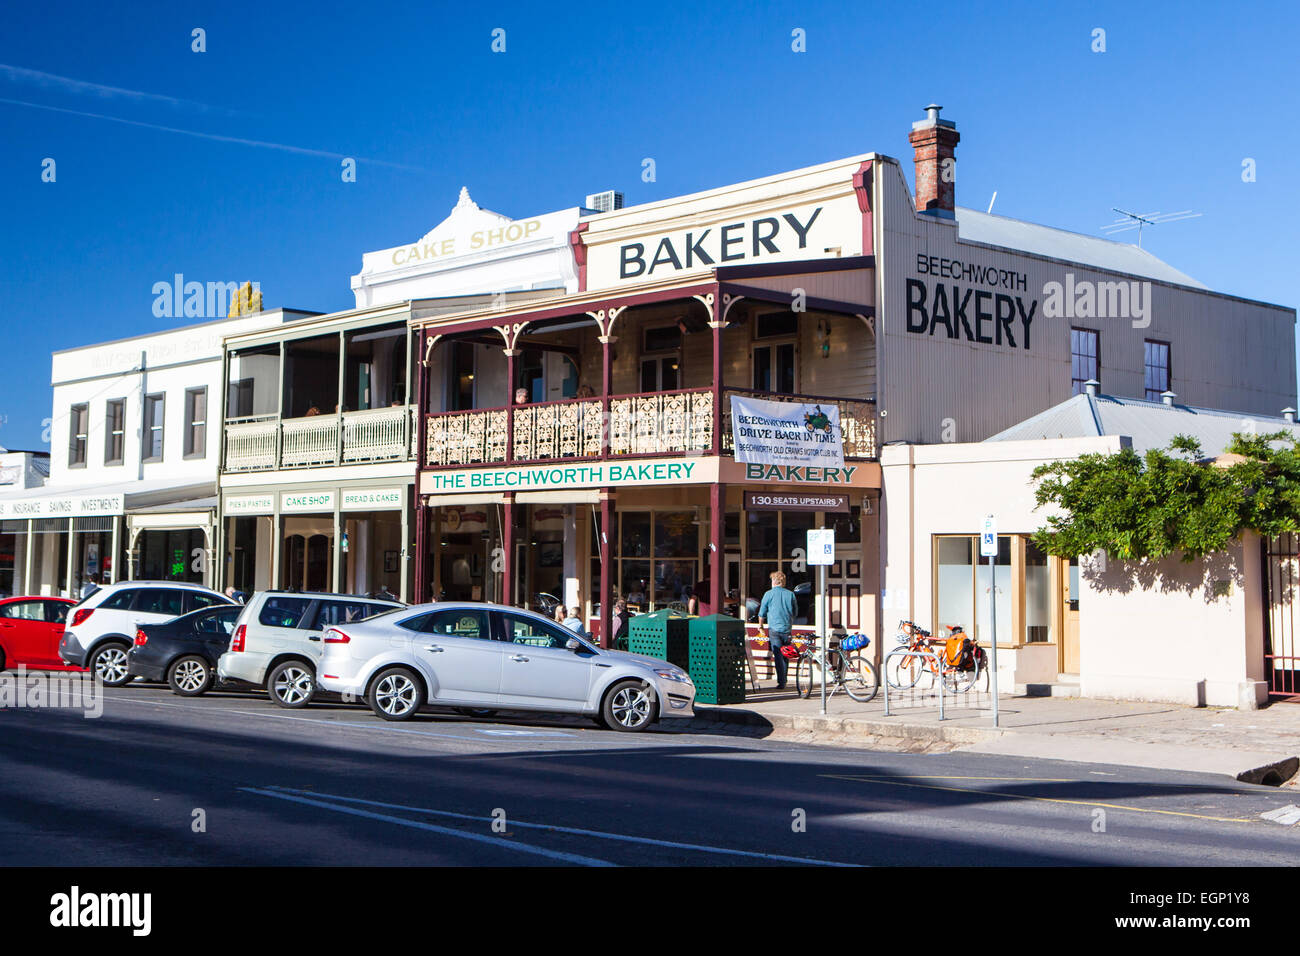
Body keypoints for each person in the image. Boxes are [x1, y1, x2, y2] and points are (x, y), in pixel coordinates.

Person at [758, 571, 798, 690]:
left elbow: (762, 612)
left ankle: (781, 681)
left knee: (778, 655)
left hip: (774, 628)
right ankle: (784, 679)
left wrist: (760, 626)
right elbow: (795, 612)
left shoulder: (768, 594)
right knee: (786, 653)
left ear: (774, 582)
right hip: (786, 628)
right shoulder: (790, 595)